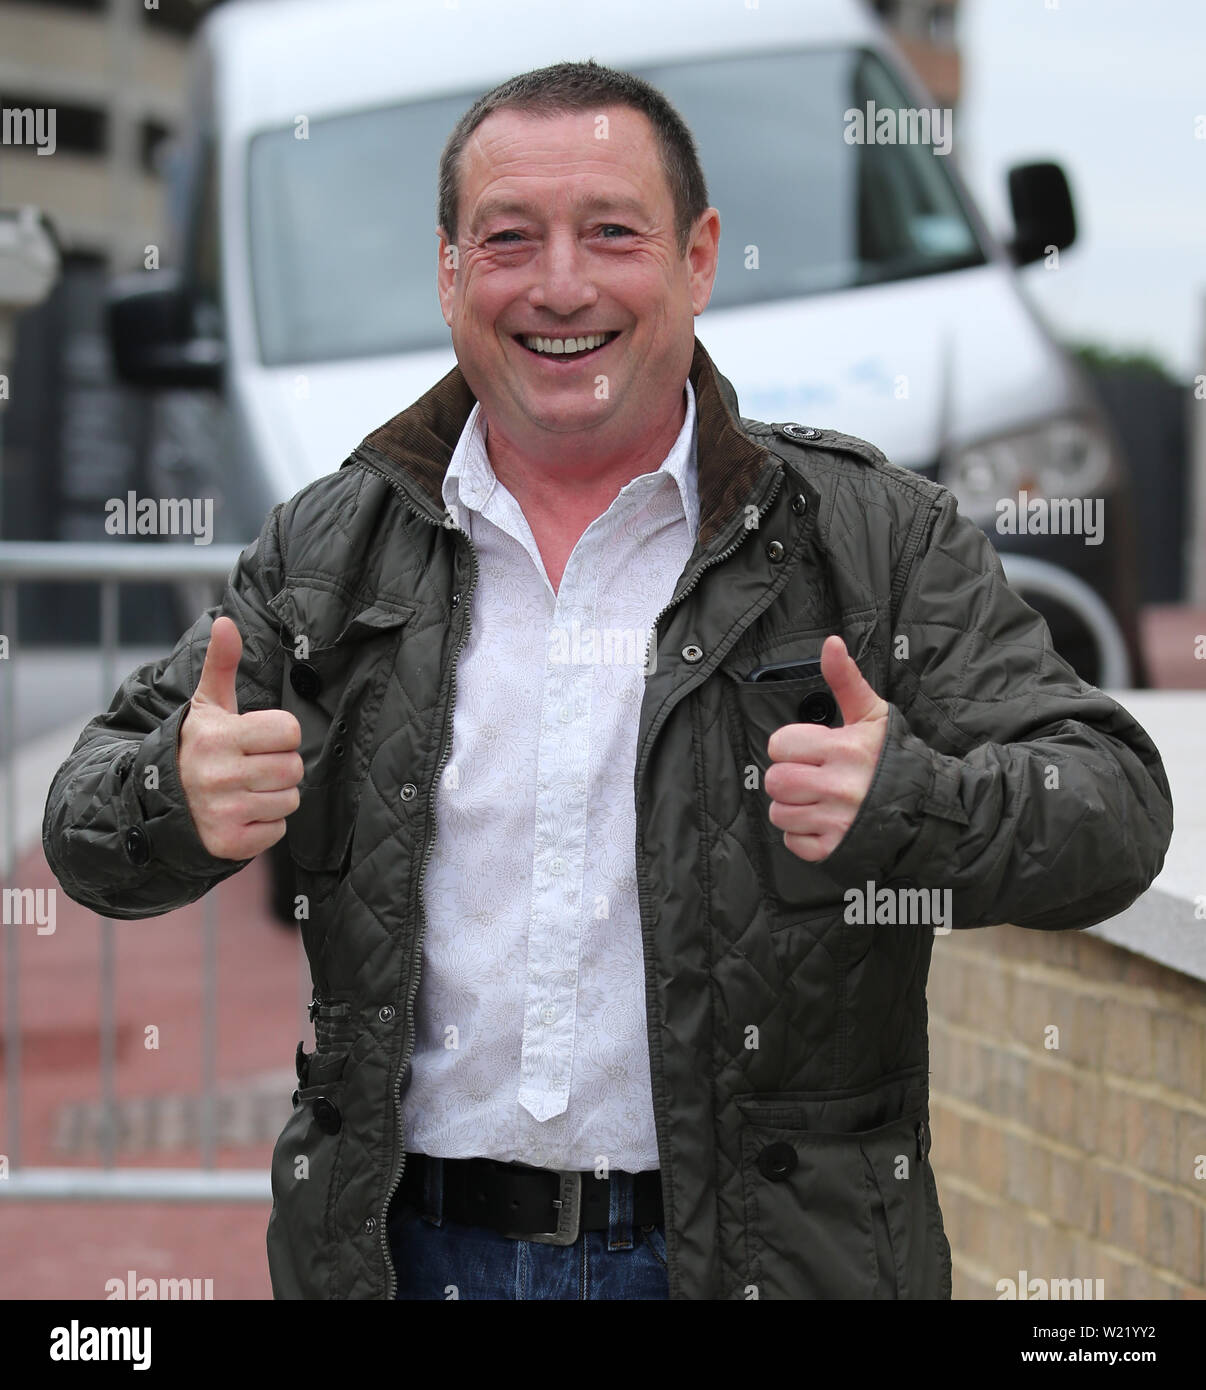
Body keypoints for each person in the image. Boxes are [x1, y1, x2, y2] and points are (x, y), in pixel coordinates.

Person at [43, 59, 1173, 1302]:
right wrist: (172, 793)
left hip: (755, 1261)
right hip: (408, 1257)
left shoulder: (874, 538)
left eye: (612, 233)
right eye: (510, 239)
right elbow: (87, 821)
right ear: (451, 272)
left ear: (697, 257)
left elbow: (1115, 808)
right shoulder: (326, 549)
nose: (561, 285)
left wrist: (910, 804)